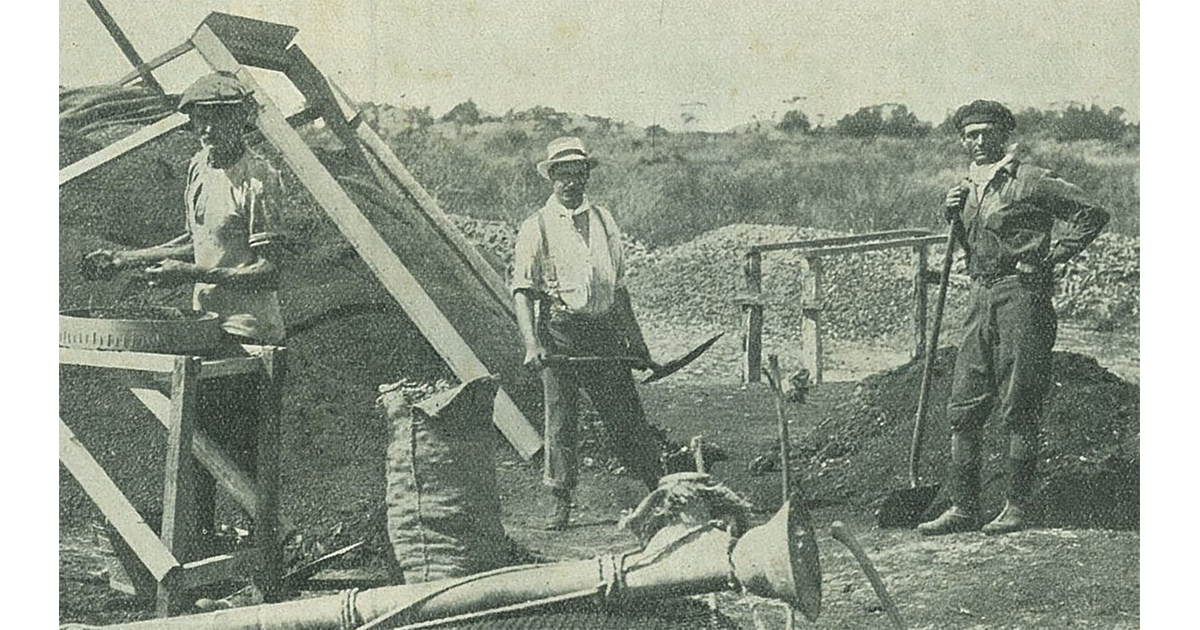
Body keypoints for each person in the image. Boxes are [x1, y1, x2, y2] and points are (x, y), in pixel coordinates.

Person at [84, 71, 287, 544]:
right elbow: (193, 240)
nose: (206, 131)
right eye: (198, 121)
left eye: (216, 120)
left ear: (241, 120)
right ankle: (200, 546)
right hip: (207, 331)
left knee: (240, 455)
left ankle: (263, 562)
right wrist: (125, 259)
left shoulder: (259, 179)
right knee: (197, 447)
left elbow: (269, 270)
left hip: (251, 335)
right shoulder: (200, 166)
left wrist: (193, 275)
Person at [917, 100, 1109, 536]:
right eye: (971, 135)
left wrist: (1049, 259)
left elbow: (1092, 214)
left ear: (1004, 134)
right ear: (962, 139)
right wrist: (954, 215)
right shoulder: (966, 187)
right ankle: (964, 508)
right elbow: (972, 244)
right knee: (963, 406)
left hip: (1022, 299)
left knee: (1018, 402)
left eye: (987, 133)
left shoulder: (1030, 179)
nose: (979, 141)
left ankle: (1017, 507)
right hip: (980, 298)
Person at [511, 136, 664, 530]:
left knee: (626, 415)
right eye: (564, 176)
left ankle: (655, 493)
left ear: (586, 177)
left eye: (579, 175)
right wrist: (532, 344)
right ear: (551, 179)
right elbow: (523, 292)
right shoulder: (537, 226)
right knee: (561, 421)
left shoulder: (604, 220)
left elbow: (620, 287)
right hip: (560, 334)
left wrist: (638, 343)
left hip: (605, 332)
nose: (572, 183)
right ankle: (560, 501)